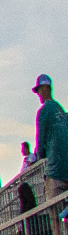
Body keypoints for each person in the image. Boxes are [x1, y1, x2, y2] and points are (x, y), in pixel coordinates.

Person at [35, 74, 68, 205]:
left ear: (44, 88)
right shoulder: (61, 110)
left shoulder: (43, 111)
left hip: (55, 171)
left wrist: (41, 156)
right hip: (66, 169)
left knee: (54, 213)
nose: (38, 94)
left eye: (38, 91)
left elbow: (40, 145)